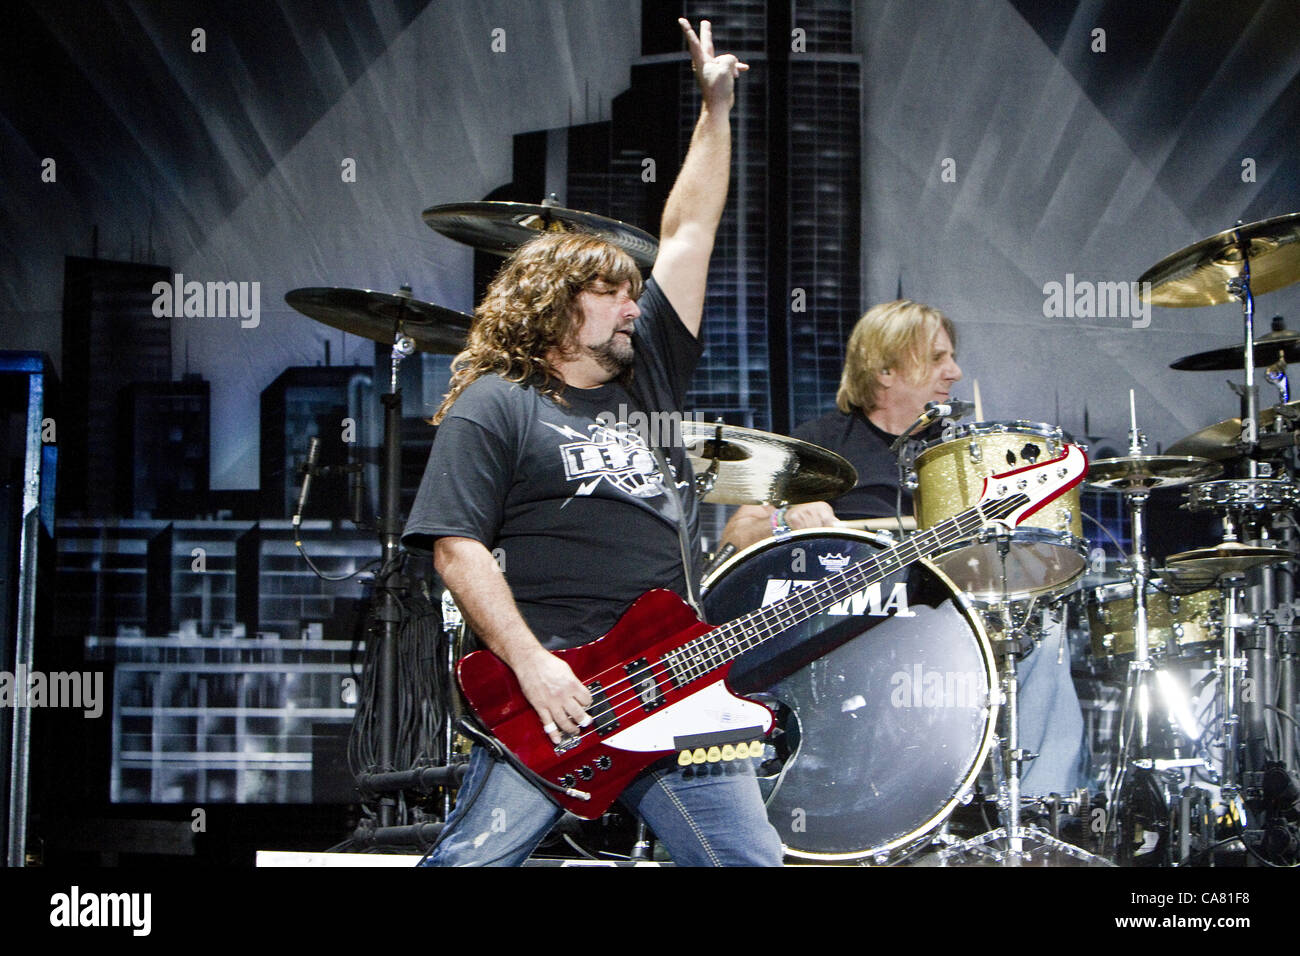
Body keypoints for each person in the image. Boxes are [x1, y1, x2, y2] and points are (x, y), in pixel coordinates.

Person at [400, 19, 783, 866]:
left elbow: (688, 232)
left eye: (634, 295)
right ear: (556, 307)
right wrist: (535, 669)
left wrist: (715, 106)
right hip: (563, 691)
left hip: (674, 677)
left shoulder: (645, 373)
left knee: (748, 861)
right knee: (472, 861)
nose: (631, 308)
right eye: (612, 294)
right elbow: (457, 552)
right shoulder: (495, 406)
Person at [718, 299, 1089, 797]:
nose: (954, 372)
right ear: (887, 370)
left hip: (940, 610)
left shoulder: (956, 453)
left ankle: (1042, 805)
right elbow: (735, 538)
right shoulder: (820, 445)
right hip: (852, 621)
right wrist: (786, 518)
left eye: (951, 358)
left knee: (1041, 629)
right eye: (937, 359)